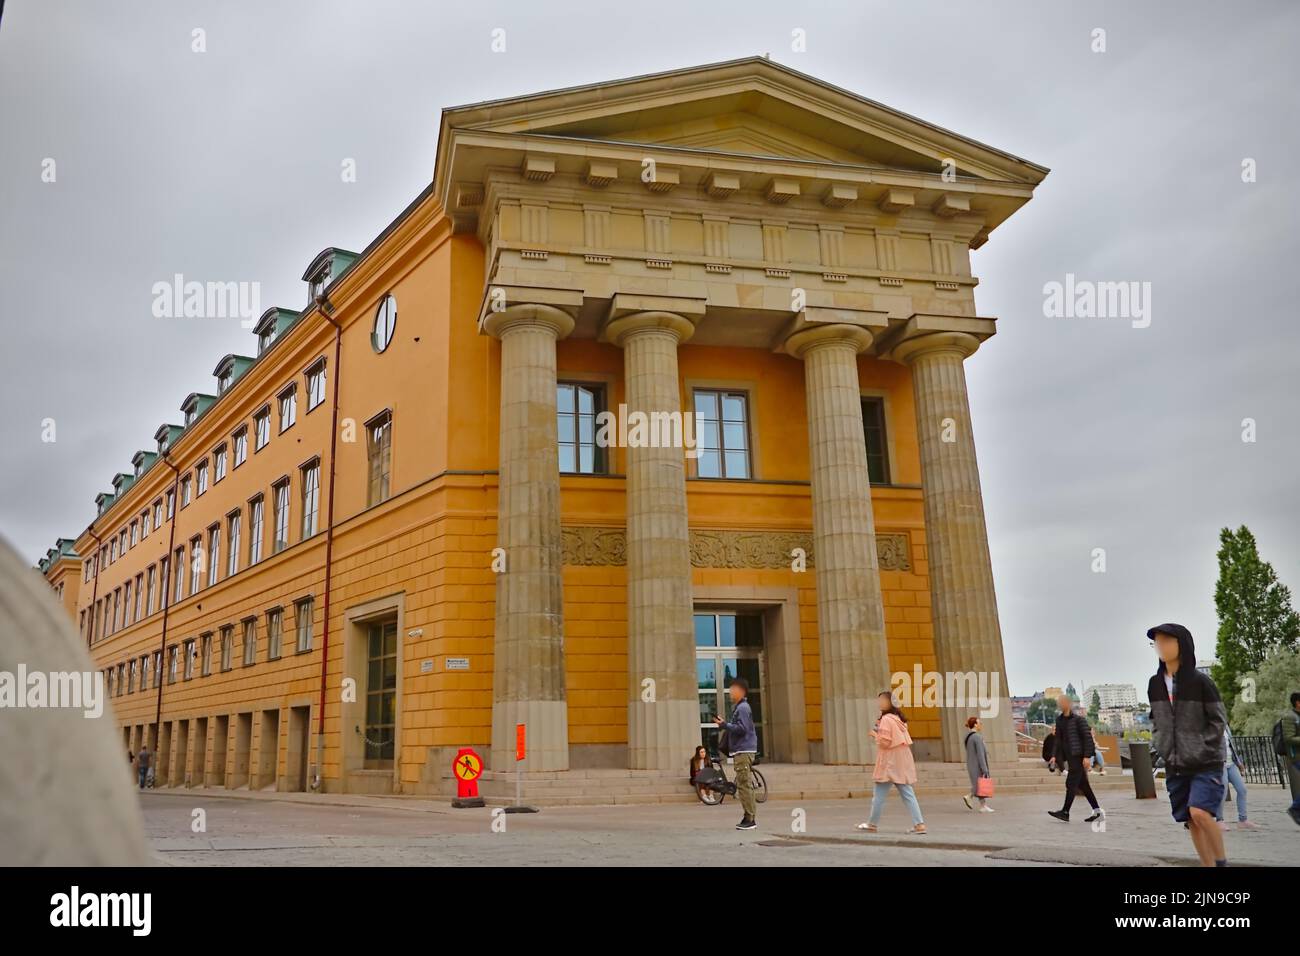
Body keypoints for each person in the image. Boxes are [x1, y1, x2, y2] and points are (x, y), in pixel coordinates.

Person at [1146, 623, 1228, 867]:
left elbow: (1218, 720)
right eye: (1156, 642)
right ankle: (1208, 865)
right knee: (1190, 819)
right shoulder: (1154, 683)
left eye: (1166, 641)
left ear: (1182, 644)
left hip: (1206, 762)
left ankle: (1221, 862)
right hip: (1175, 763)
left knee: (1200, 813)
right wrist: (1162, 746)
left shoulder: (1201, 682)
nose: (1161, 647)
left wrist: (1203, 748)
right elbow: (1156, 720)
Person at [857, 691, 926, 833]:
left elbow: (885, 742)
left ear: (890, 703)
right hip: (901, 760)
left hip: (889, 762)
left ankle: (872, 824)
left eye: (882, 700)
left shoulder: (886, 719)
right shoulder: (898, 719)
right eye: (879, 700)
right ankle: (919, 824)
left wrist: (875, 735)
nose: (879, 703)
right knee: (907, 793)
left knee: (879, 796)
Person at [1046, 694, 1103, 824]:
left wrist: (1087, 756)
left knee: (1070, 784)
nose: (1061, 705)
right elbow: (1058, 740)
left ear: (1069, 704)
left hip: (1078, 756)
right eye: (1059, 703)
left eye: (1063, 702)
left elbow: (1088, 738)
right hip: (1070, 757)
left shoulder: (1079, 720)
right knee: (1084, 786)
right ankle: (1097, 812)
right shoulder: (1059, 720)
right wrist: (1054, 755)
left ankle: (1065, 812)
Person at [713, 677, 757, 831]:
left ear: (741, 691)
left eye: (733, 689)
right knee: (744, 785)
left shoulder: (743, 708)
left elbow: (743, 729)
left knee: (744, 785)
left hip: (743, 750)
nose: (730, 692)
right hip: (742, 750)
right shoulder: (740, 707)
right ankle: (748, 817)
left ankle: (749, 819)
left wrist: (725, 725)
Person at [1217, 727, 1257, 830]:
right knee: (1223, 792)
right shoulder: (1211, 724)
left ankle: (1243, 820)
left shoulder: (1225, 726)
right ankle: (1219, 820)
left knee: (1242, 789)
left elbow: (1231, 746)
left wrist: (1239, 762)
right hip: (1220, 764)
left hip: (1232, 764)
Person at [962, 716, 994, 812]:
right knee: (979, 785)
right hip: (977, 765)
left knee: (978, 785)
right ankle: (972, 799)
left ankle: (982, 805)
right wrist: (984, 768)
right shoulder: (977, 737)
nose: (981, 724)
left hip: (971, 764)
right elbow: (980, 754)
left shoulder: (967, 736)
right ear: (975, 724)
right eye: (979, 723)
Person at [1285, 692, 1300, 827]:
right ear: (1297, 702)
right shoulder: (1290, 717)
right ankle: (1295, 808)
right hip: (1296, 756)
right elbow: (1288, 738)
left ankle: (1295, 808)